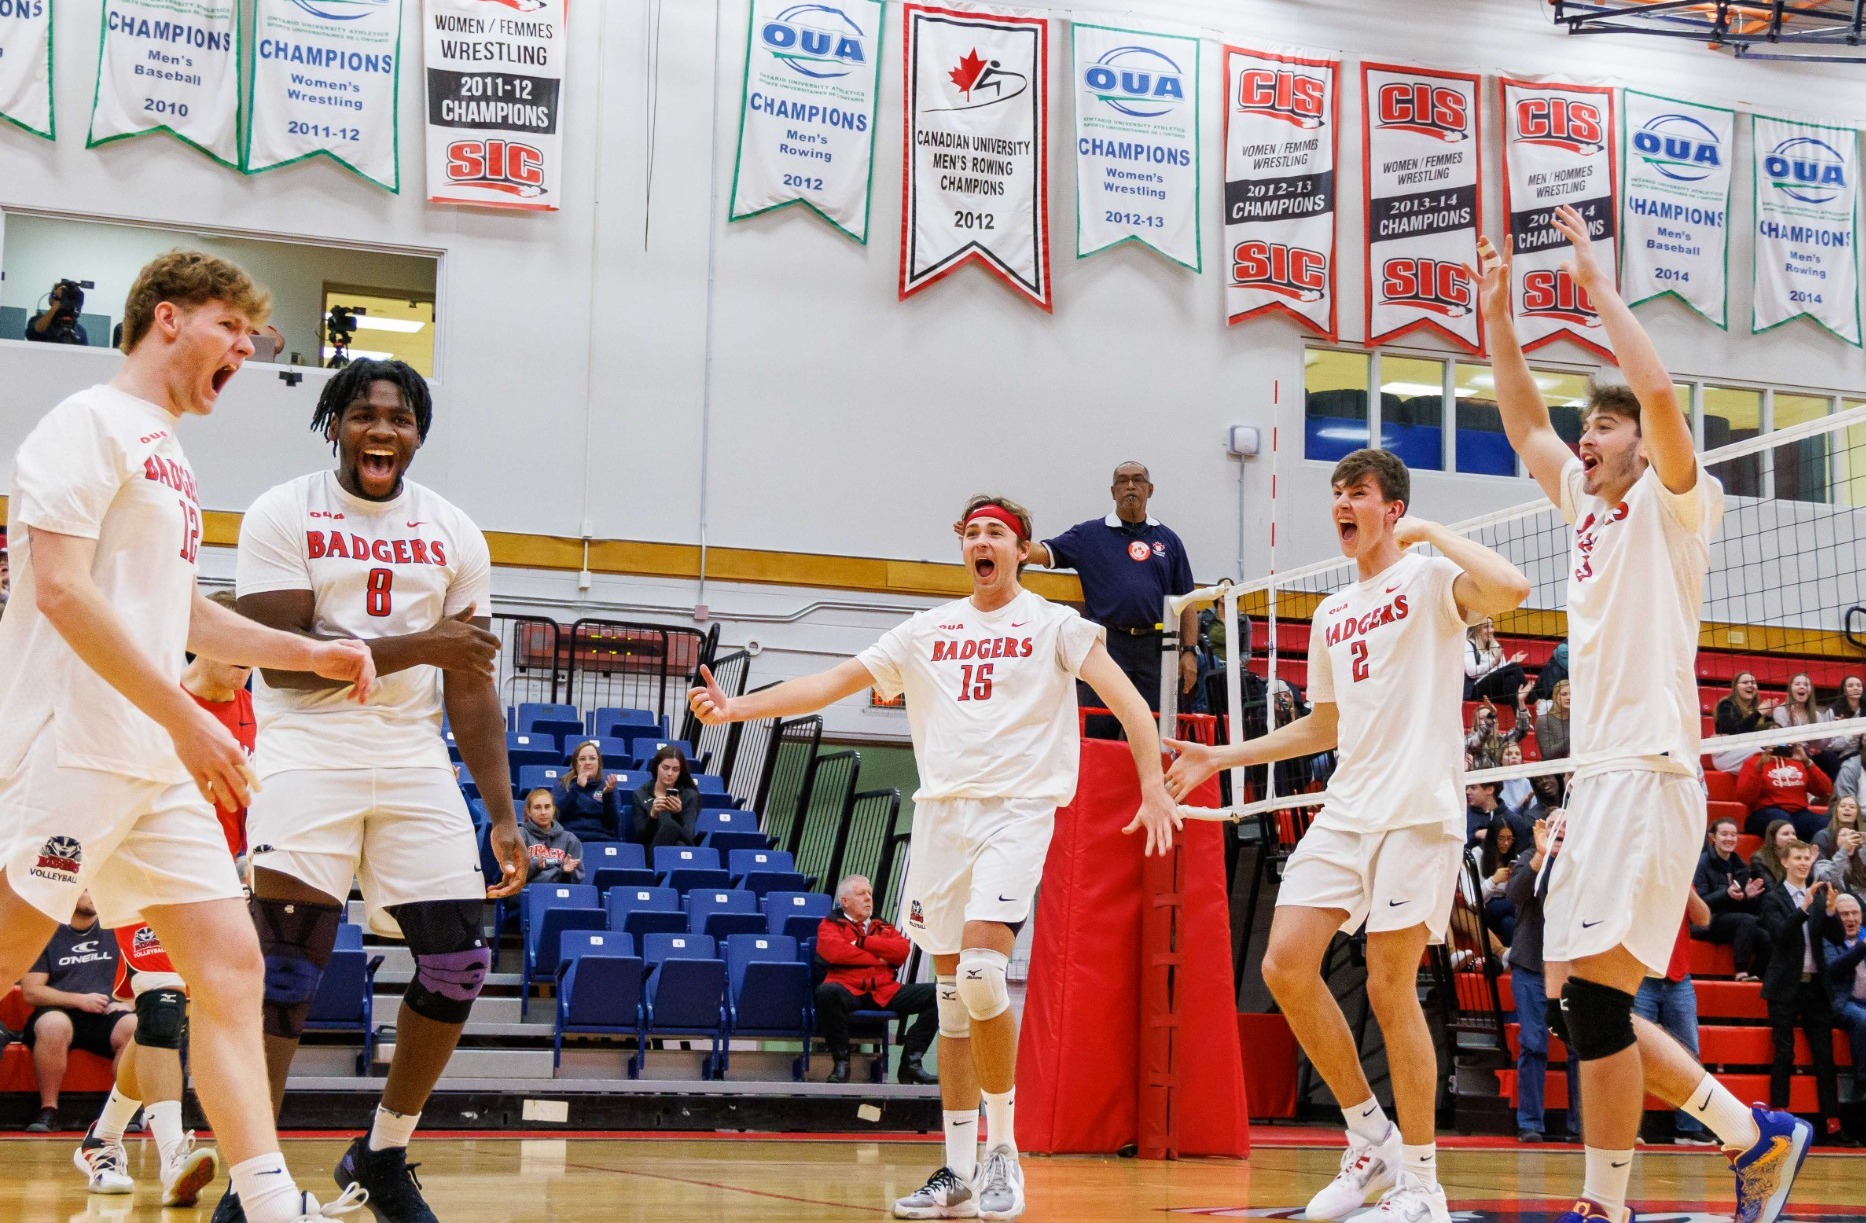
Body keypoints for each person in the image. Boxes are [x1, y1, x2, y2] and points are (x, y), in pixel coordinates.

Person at [0, 249, 378, 1223]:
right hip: (70, 747)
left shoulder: (170, 448)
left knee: (228, 963)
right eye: (231, 328)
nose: (247, 348)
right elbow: (61, 590)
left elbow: (183, 613)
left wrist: (307, 650)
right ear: (167, 319)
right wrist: (190, 719)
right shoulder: (85, 424)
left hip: (147, 757)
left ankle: (264, 1197)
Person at [692, 493, 1181, 1222]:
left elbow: (1131, 701)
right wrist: (737, 708)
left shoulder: (1055, 624)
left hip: (1017, 809)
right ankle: (955, 1170)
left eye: (998, 533)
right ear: (963, 546)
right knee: (953, 1002)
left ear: (1021, 549)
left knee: (984, 973)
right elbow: (830, 683)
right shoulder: (926, 630)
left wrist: (1152, 784)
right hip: (942, 819)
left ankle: (1003, 1154)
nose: (984, 541)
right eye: (974, 532)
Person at [1481, 204, 1805, 1223]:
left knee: (1595, 999)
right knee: (1587, 1000)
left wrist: (1595, 288)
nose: (1588, 438)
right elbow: (1526, 422)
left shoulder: (1677, 499)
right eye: (1593, 428)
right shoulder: (1584, 508)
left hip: (1652, 767)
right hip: (1602, 776)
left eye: (1604, 427)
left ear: (1640, 444)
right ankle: (1737, 1138)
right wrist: (1498, 317)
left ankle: (1641, 1185)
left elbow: (1659, 389)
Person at [1166, 448, 1530, 1223]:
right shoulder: (1331, 612)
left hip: (1417, 810)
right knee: (1286, 964)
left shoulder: (1430, 581)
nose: (1341, 503)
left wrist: (1431, 532)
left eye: (1356, 492)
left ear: (1390, 508)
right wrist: (1222, 755)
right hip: (1349, 807)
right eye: (1335, 492)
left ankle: (1423, 1184)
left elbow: (1511, 588)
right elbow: (1323, 723)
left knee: (1389, 987)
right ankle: (1371, 1139)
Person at [230, 355, 527, 1222]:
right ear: (336, 424)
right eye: (364, 414)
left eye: (398, 417)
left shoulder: (454, 529)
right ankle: (257, 1179)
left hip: (409, 751)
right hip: (304, 746)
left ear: (418, 433)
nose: (382, 430)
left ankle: (383, 1150)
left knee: (459, 959)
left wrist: (503, 815)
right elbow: (286, 665)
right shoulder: (282, 511)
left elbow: (469, 681)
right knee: (286, 967)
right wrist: (422, 645)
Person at [75, 603, 255, 1205]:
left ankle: (102, 1137)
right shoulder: (158, 690)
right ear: (198, 639)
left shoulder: (258, 709)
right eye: (234, 650)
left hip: (218, 879)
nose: (244, 667)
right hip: (148, 870)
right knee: (159, 1008)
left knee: (178, 1016)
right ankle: (176, 1152)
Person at [1019, 462, 1198, 715]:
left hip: (1156, 650)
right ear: (1113, 491)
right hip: (1105, 646)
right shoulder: (1089, 535)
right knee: (1101, 724)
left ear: (1150, 489)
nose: (1131, 486)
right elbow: (1043, 552)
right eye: (1123, 481)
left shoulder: (1169, 540)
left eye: (1138, 480)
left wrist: (1189, 652)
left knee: (1155, 726)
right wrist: (1005, 540)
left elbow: (1187, 601)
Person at [1758, 841, 1849, 1146]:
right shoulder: (1773, 898)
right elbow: (1780, 936)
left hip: (1816, 987)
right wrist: (1804, 907)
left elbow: (1836, 937)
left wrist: (1833, 912)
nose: (1802, 863)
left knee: (1825, 1059)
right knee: (1784, 1053)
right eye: (1796, 858)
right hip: (1785, 986)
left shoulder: (1821, 895)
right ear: (1784, 862)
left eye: (1806, 858)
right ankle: (1777, 1123)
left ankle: (1832, 1126)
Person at [20, 892, 133, 1134]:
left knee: (133, 1026)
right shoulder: (46, 931)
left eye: (95, 888)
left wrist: (130, 1002)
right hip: (59, 1010)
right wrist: (79, 1000)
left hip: (105, 1013)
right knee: (54, 1025)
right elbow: (31, 991)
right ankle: (48, 1109)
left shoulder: (116, 928)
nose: (92, 894)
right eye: (85, 889)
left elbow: (143, 973)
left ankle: (121, 1114)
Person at [813, 874, 938, 1086]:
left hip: (884, 990)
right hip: (849, 989)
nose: (868, 898)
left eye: (869, 893)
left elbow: (901, 950)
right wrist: (880, 958)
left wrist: (861, 942)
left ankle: (911, 1063)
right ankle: (841, 1063)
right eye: (861, 894)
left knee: (942, 993)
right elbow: (835, 953)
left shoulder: (882, 925)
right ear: (845, 901)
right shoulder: (830, 924)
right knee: (826, 992)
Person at [1509, 814, 1581, 1144]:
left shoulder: (1582, 862)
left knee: (1579, 1049)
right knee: (1534, 1044)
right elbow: (1515, 893)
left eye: (1567, 825)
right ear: (1543, 829)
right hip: (1531, 967)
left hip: (1570, 970)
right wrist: (1540, 855)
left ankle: (1581, 1126)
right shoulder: (1529, 857)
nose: (1560, 830)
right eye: (1554, 824)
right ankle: (1530, 1123)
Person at [1633, 892, 1716, 1146]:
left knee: (1688, 1055)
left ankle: (1689, 1129)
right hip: (1640, 975)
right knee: (1633, 1055)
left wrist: (1686, 889)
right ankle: (1628, 1127)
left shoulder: (1680, 874)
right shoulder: (1636, 872)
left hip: (1678, 977)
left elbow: (1704, 919)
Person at [1694, 816, 1769, 983]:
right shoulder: (1702, 863)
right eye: (1724, 834)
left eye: (1733, 835)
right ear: (1713, 837)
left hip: (1732, 919)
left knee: (1767, 936)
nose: (1729, 838)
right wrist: (1726, 893)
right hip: (1708, 921)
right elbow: (1700, 902)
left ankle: (1756, 975)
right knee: (1746, 921)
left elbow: (1740, 902)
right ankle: (1740, 971)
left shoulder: (1739, 864)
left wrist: (1748, 897)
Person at [1736, 746, 1831, 842]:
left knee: (1827, 825)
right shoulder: (1753, 761)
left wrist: (1808, 763)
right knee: (1783, 822)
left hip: (1798, 813)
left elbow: (1825, 790)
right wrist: (1758, 768)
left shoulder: (1798, 761)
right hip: (1762, 813)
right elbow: (1745, 798)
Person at [1825, 893, 1866, 1100]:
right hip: (1843, 1002)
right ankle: (1862, 1081)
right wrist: (1862, 948)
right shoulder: (1829, 938)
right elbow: (1833, 968)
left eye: (1855, 913)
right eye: (1845, 914)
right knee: (1861, 1019)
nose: (1851, 918)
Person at [629, 745, 700, 848]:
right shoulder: (640, 794)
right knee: (669, 826)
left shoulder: (689, 795)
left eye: (675, 769)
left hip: (682, 851)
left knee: (678, 841)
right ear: (656, 767)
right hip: (652, 853)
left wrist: (677, 814)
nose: (670, 773)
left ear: (680, 772)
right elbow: (641, 839)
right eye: (665, 768)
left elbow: (688, 836)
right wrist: (653, 816)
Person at [555, 740, 622, 842]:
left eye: (592, 758)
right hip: (570, 839)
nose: (587, 762)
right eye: (582, 759)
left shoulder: (608, 786)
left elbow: (612, 823)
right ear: (575, 763)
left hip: (601, 839)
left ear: (598, 763)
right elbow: (555, 815)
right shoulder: (563, 784)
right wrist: (577, 787)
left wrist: (608, 795)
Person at [1713, 672, 1779, 774]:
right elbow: (1736, 732)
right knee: (1761, 755)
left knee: (1776, 754)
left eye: (1753, 682)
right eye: (1745, 682)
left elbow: (1763, 734)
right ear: (1735, 687)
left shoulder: (1756, 708)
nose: (1750, 685)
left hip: (1750, 750)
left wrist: (1769, 717)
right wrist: (1758, 713)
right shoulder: (1726, 705)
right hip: (1727, 754)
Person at [520, 789, 583, 884]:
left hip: (558, 892)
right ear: (529, 811)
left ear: (553, 809)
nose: (543, 812)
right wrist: (535, 866)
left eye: (547, 807)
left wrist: (566, 872)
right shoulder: (520, 835)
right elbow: (512, 875)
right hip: (529, 891)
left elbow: (577, 880)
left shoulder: (570, 839)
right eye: (537, 807)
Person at [1465, 618, 1531, 708]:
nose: (1491, 630)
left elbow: (1502, 672)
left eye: (1492, 626)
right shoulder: (1468, 644)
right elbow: (1471, 672)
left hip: (1494, 691)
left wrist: (1510, 662)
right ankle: (1535, 701)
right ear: (1476, 629)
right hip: (1476, 690)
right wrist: (1493, 663)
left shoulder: (1495, 646)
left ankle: (1520, 718)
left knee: (1510, 680)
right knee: (1514, 667)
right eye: (1486, 627)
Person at [1813, 798, 1866, 900]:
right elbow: (1832, 879)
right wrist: (1844, 850)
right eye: (1843, 806)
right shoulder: (1823, 862)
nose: (1847, 809)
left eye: (1851, 807)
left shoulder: (1859, 858)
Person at [1478, 818, 1520, 945]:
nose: (1506, 843)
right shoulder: (1478, 854)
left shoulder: (1515, 859)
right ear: (1492, 838)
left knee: (1508, 922)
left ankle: (1509, 962)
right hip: (1485, 908)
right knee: (1511, 906)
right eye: (1501, 838)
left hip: (1506, 908)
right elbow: (1476, 898)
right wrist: (1494, 880)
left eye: (1509, 838)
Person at [1817, 676, 1863, 780]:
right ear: (1844, 691)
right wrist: (1851, 734)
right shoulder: (1833, 711)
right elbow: (1828, 745)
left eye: (1858, 685)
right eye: (1850, 686)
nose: (1855, 688)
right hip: (1840, 756)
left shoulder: (1864, 709)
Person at [1466, 698, 1530, 770]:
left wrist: (1521, 702)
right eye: (1482, 718)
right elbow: (1478, 739)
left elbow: (1522, 729)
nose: (1487, 720)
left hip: (1502, 779)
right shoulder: (1468, 740)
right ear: (1475, 724)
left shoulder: (1502, 740)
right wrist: (1487, 725)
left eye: (1489, 717)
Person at [27, 279, 90, 345]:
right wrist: (57, 302)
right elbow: (37, 330)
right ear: (51, 299)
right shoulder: (37, 320)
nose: (65, 300)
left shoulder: (79, 331)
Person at [1465, 780, 1522, 850]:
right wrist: (1476, 836)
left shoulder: (1514, 820)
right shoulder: (1464, 816)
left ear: (1490, 789)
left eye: (1473, 788)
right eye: (1467, 787)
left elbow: (1521, 853)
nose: (1467, 792)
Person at [1751, 819, 1797, 887]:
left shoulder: (1797, 858)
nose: (1792, 837)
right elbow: (1770, 889)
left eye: (1793, 834)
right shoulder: (1759, 859)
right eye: (1786, 834)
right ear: (1773, 838)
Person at [1536, 679, 1572, 762]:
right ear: (1555, 697)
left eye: (1571, 694)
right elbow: (1548, 754)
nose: (1569, 698)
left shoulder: (1578, 720)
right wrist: (1571, 738)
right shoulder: (1543, 721)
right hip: (1554, 771)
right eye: (1564, 694)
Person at [1498, 742, 1534, 816]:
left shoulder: (1527, 782)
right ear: (1501, 760)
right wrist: (1518, 806)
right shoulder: (1496, 783)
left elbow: (1533, 810)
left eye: (1517, 754)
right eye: (1509, 754)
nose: (1514, 756)